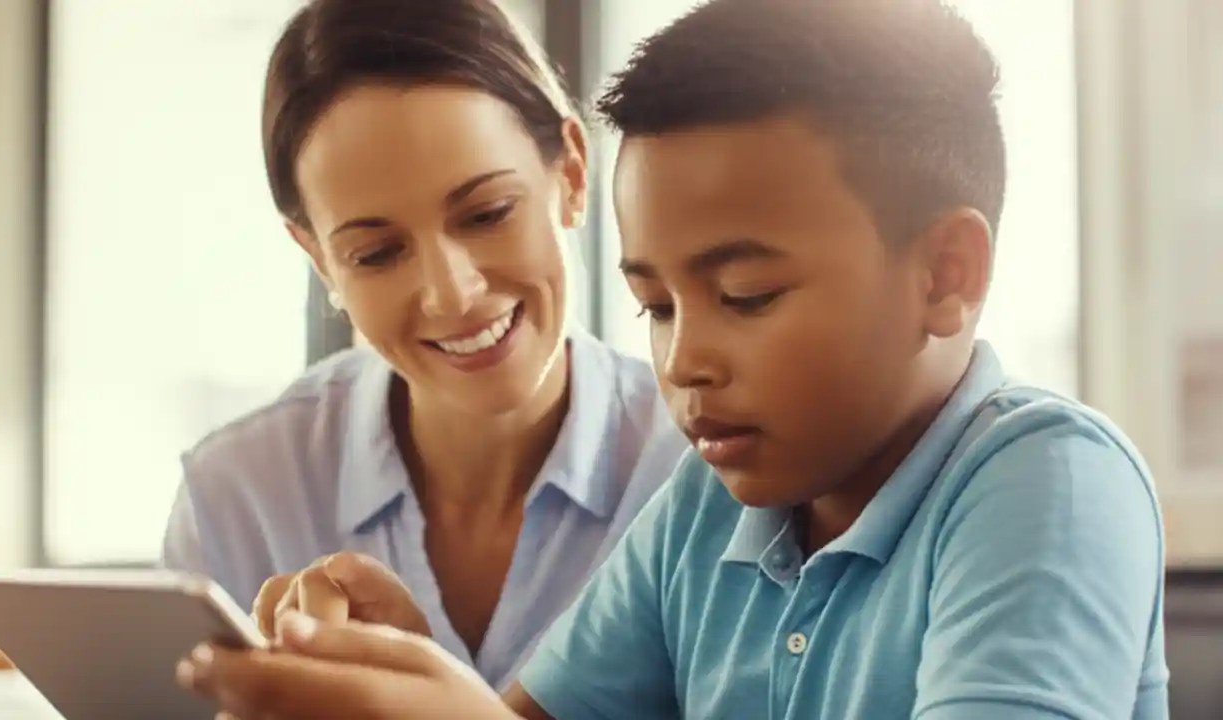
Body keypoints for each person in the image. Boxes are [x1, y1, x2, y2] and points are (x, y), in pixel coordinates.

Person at [176, 0, 1170, 718]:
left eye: (745, 297)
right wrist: (400, 676)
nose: (682, 361)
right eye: (653, 304)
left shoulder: (1047, 483)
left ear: (944, 273)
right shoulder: (704, 507)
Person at [159, 0, 688, 691]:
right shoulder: (239, 497)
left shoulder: (703, 471)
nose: (451, 294)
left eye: (487, 213)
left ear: (571, 174)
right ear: (320, 261)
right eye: (376, 253)